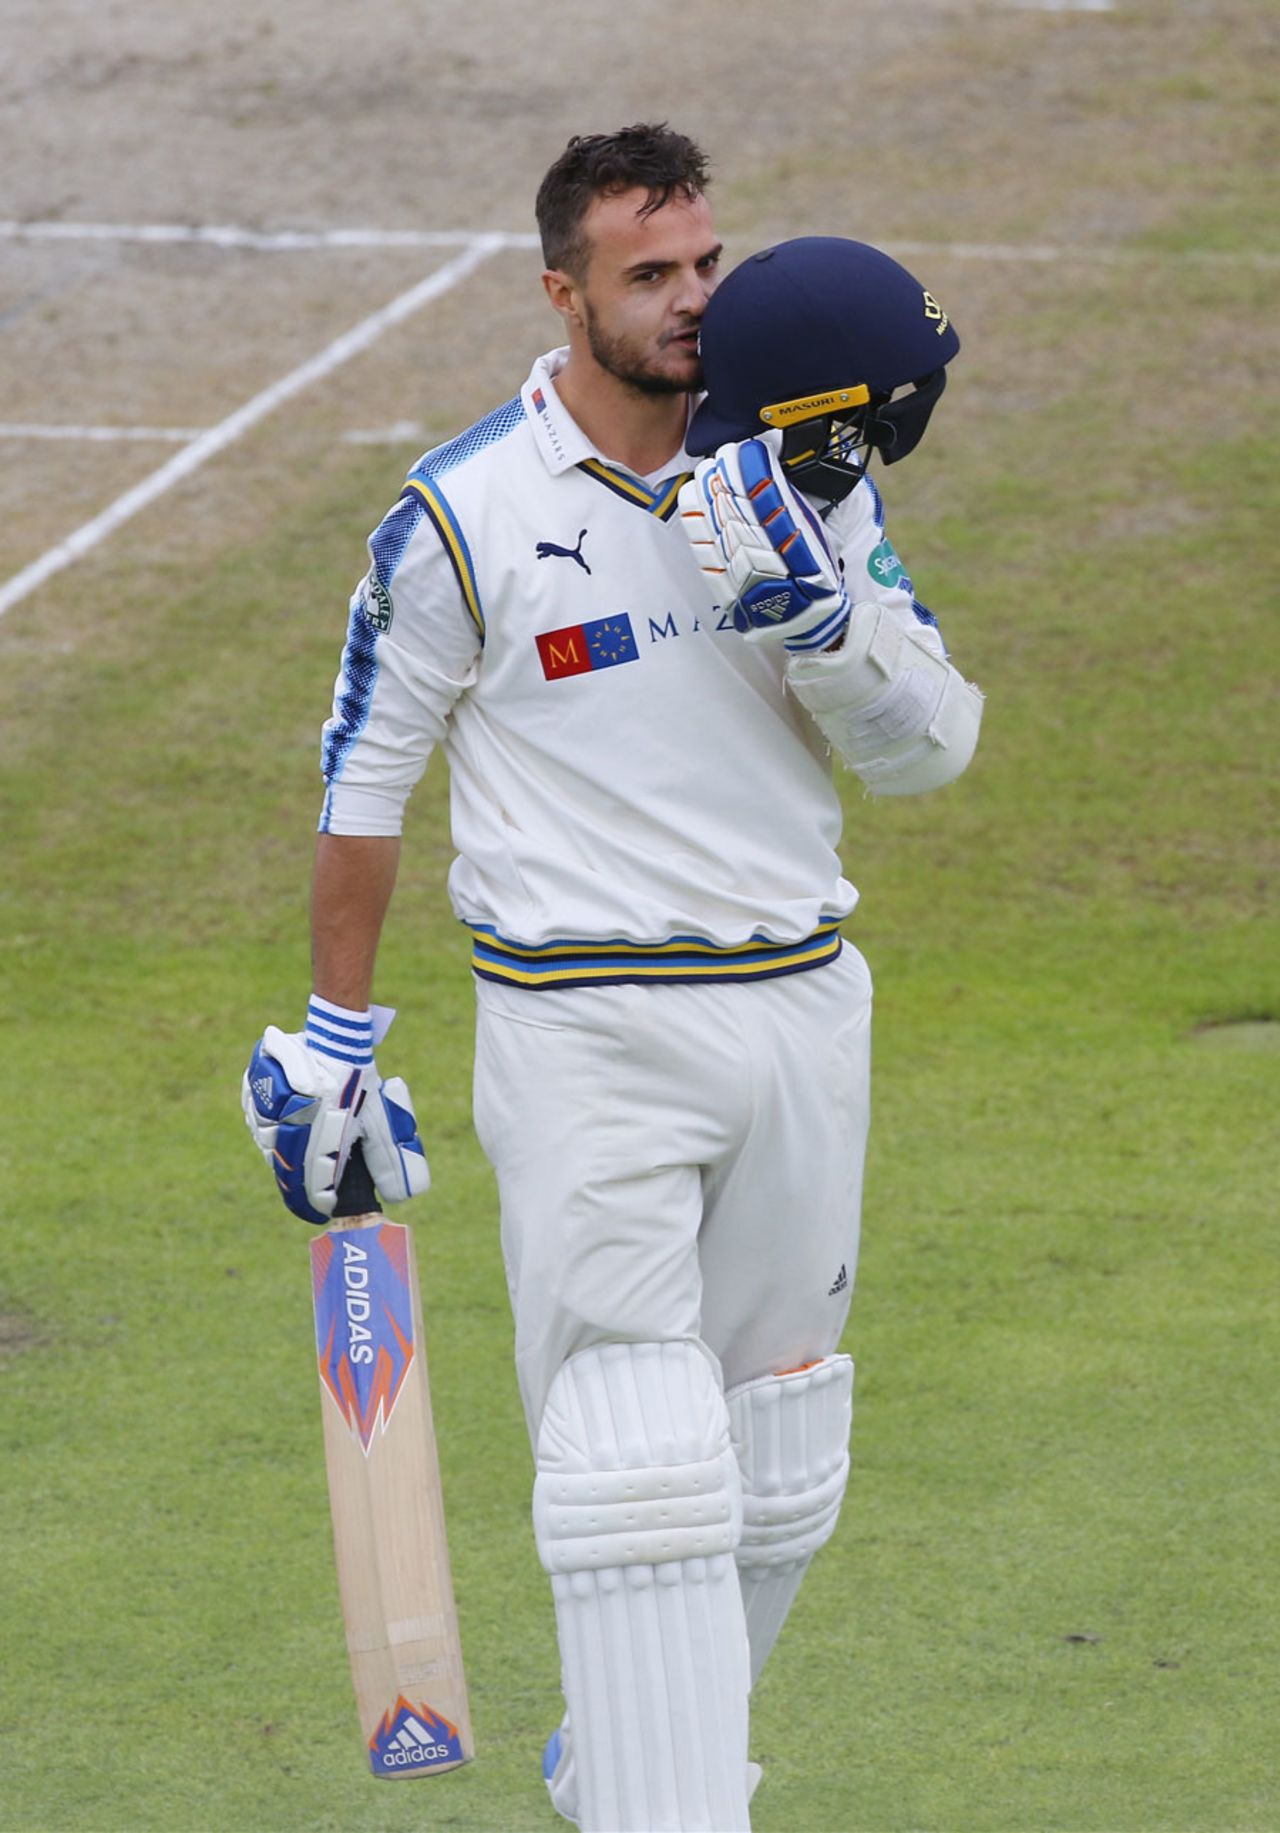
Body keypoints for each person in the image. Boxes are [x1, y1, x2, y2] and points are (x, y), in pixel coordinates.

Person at [243, 123, 982, 1833]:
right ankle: (666, 1806)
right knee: (641, 1465)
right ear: (563, 289)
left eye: (705, 265)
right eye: (650, 274)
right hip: (585, 1031)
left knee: (784, 1467)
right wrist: (338, 1040)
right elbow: (366, 788)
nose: (692, 302)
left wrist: (832, 631)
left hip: (802, 1003)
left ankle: (625, 1755)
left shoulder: (811, 476)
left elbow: (936, 750)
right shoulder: (462, 510)